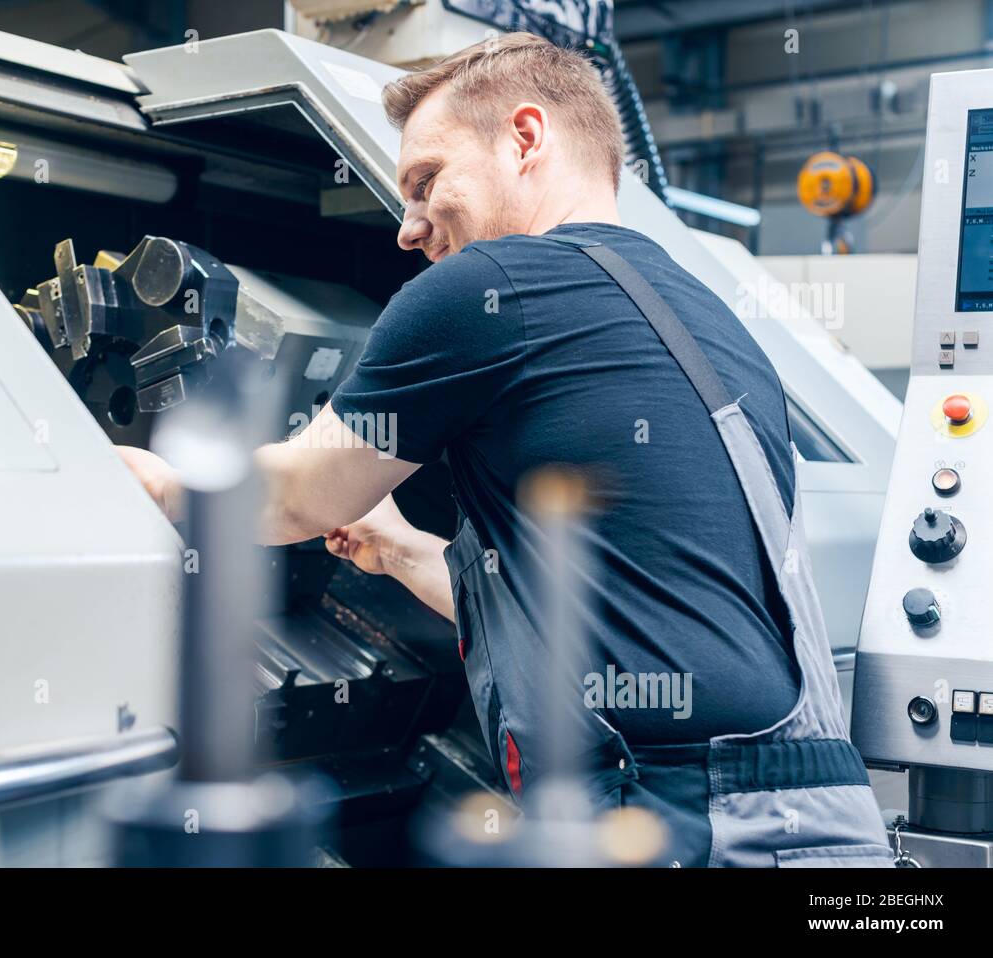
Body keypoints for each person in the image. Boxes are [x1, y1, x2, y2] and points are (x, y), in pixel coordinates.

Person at [119, 32, 891, 867]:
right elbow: (630, 603)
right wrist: (406, 551)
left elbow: (291, 498)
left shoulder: (491, 286)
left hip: (679, 825)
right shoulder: (713, 320)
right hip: (830, 830)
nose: (407, 230)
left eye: (424, 183)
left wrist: (146, 479)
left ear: (525, 137)